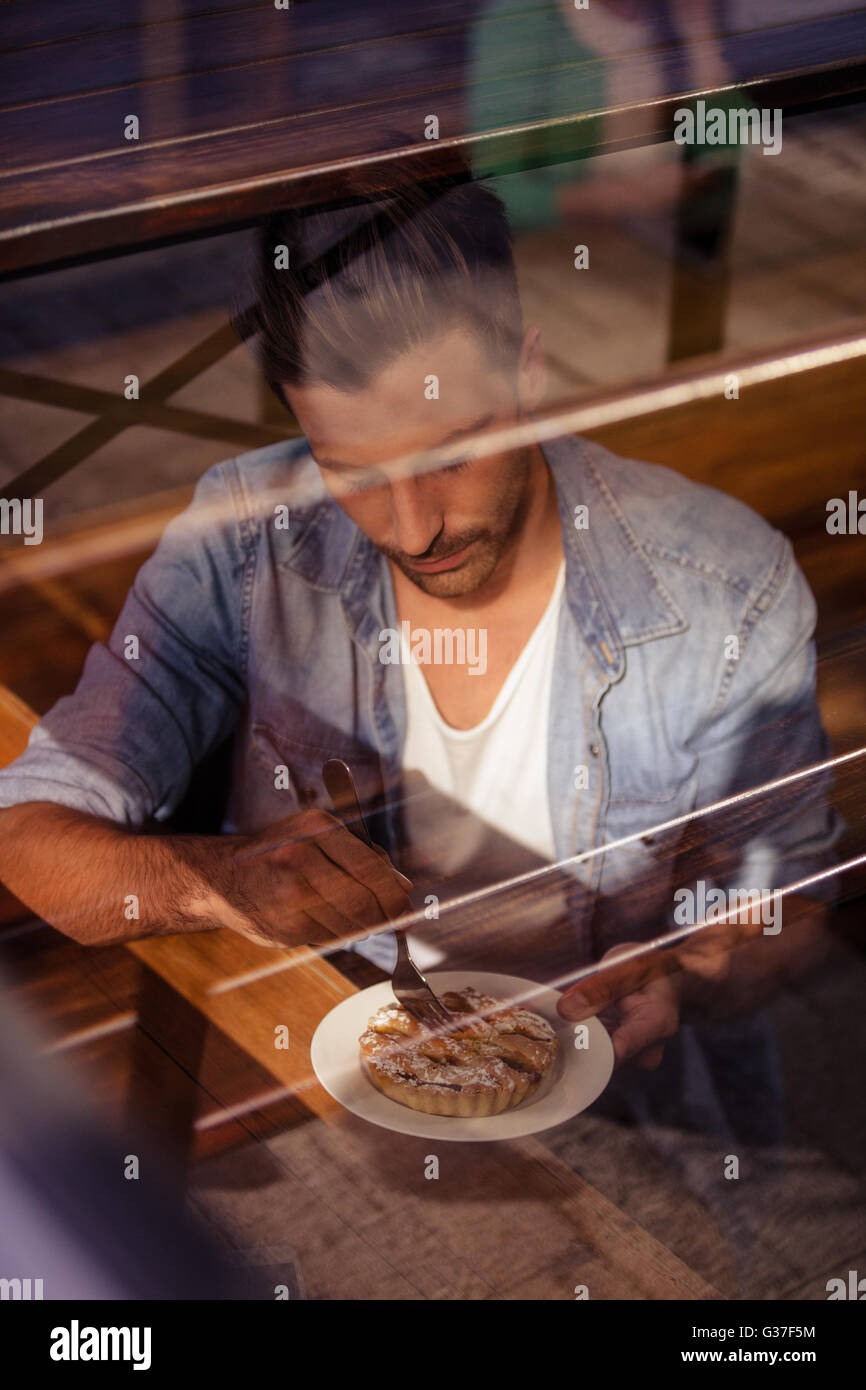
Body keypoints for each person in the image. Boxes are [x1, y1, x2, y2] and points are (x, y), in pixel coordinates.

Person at [0, 176, 837, 1088]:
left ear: (528, 370)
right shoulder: (242, 536)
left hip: (635, 1101)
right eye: (349, 471)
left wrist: (687, 968)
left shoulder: (724, 589)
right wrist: (223, 880)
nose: (411, 530)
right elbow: (25, 837)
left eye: (447, 455)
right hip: (330, 1062)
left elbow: (791, 912)